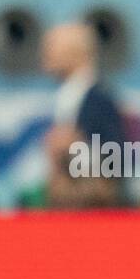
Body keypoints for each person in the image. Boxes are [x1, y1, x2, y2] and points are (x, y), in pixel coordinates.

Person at [40, 22, 126, 208]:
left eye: (51, 47)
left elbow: (115, 163)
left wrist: (73, 149)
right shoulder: (68, 95)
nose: (45, 54)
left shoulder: (99, 100)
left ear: (74, 52)